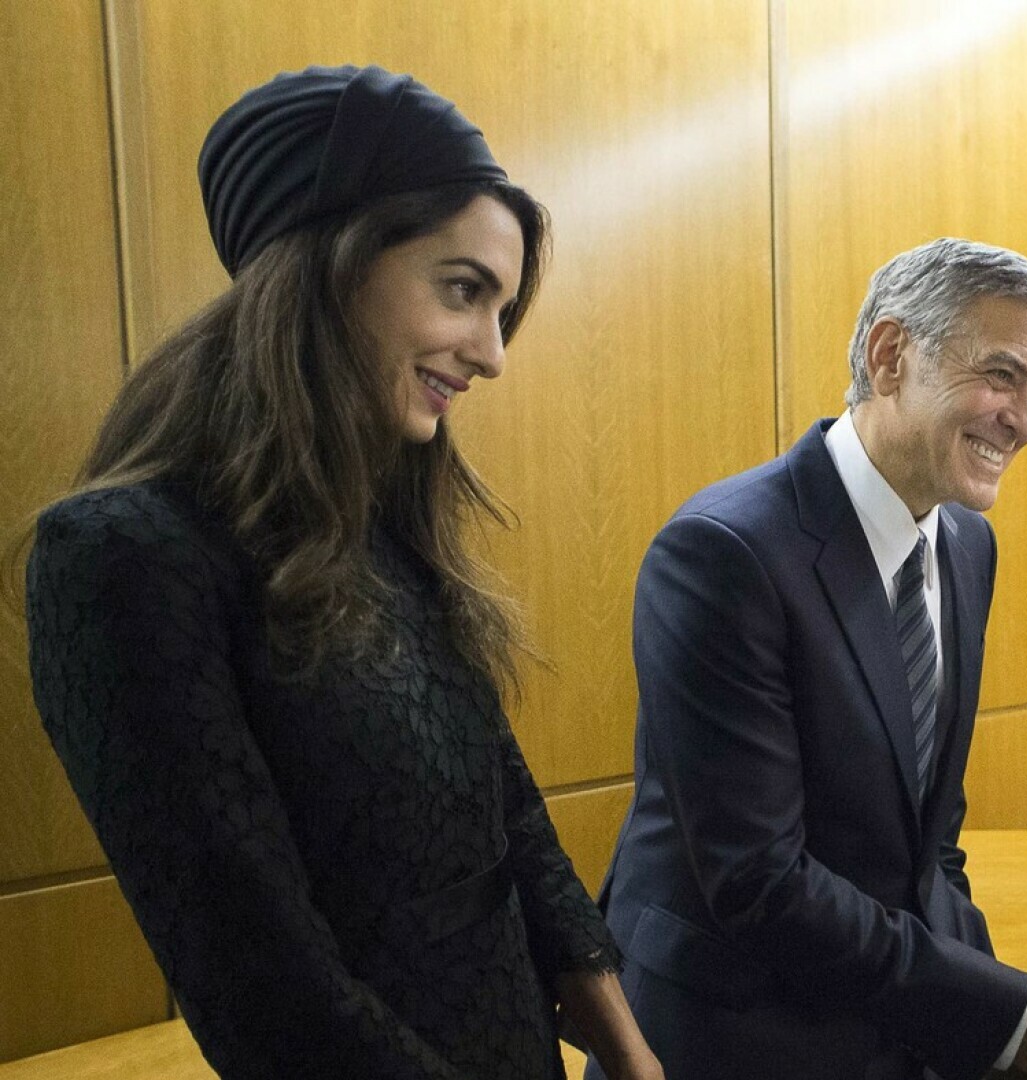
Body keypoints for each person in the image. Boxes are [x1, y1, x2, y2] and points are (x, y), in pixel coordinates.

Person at [24, 65, 661, 1080]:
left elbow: (505, 811)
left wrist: (627, 1047)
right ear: (332, 265)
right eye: (464, 291)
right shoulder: (120, 555)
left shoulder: (381, 520)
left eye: (502, 309)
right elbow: (259, 981)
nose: (492, 354)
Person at [589, 238, 1027, 1080]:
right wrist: (1005, 1013)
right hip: (736, 1037)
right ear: (892, 356)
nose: (1025, 421)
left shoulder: (967, 544)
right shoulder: (723, 552)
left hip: (886, 1019)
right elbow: (760, 881)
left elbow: (929, 843)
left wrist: (998, 1007)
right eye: (1001, 376)